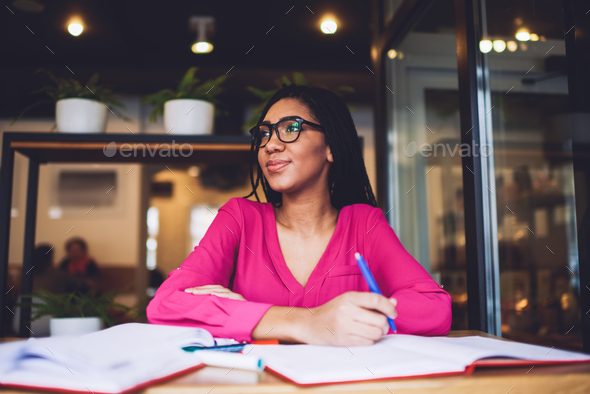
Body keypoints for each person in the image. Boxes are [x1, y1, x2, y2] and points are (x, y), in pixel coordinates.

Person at [147, 84, 452, 346]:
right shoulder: (240, 218)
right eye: (263, 134)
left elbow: (435, 308)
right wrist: (309, 323)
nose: (271, 145)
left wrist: (350, 319)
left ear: (330, 147)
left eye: (291, 129)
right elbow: (166, 304)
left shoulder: (364, 223)